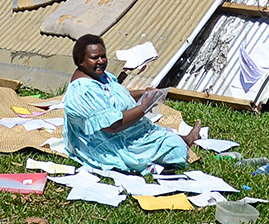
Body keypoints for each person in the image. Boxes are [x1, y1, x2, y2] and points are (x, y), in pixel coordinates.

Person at [62, 34, 200, 172]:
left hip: (124, 130)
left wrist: (143, 93)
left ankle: (182, 139)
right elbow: (111, 126)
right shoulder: (83, 92)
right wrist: (142, 108)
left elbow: (117, 95)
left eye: (103, 56)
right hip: (106, 141)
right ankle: (181, 143)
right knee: (176, 149)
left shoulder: (101, 76)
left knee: (160, 135)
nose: (101, 61)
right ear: (80, 61)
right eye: (94, 58)